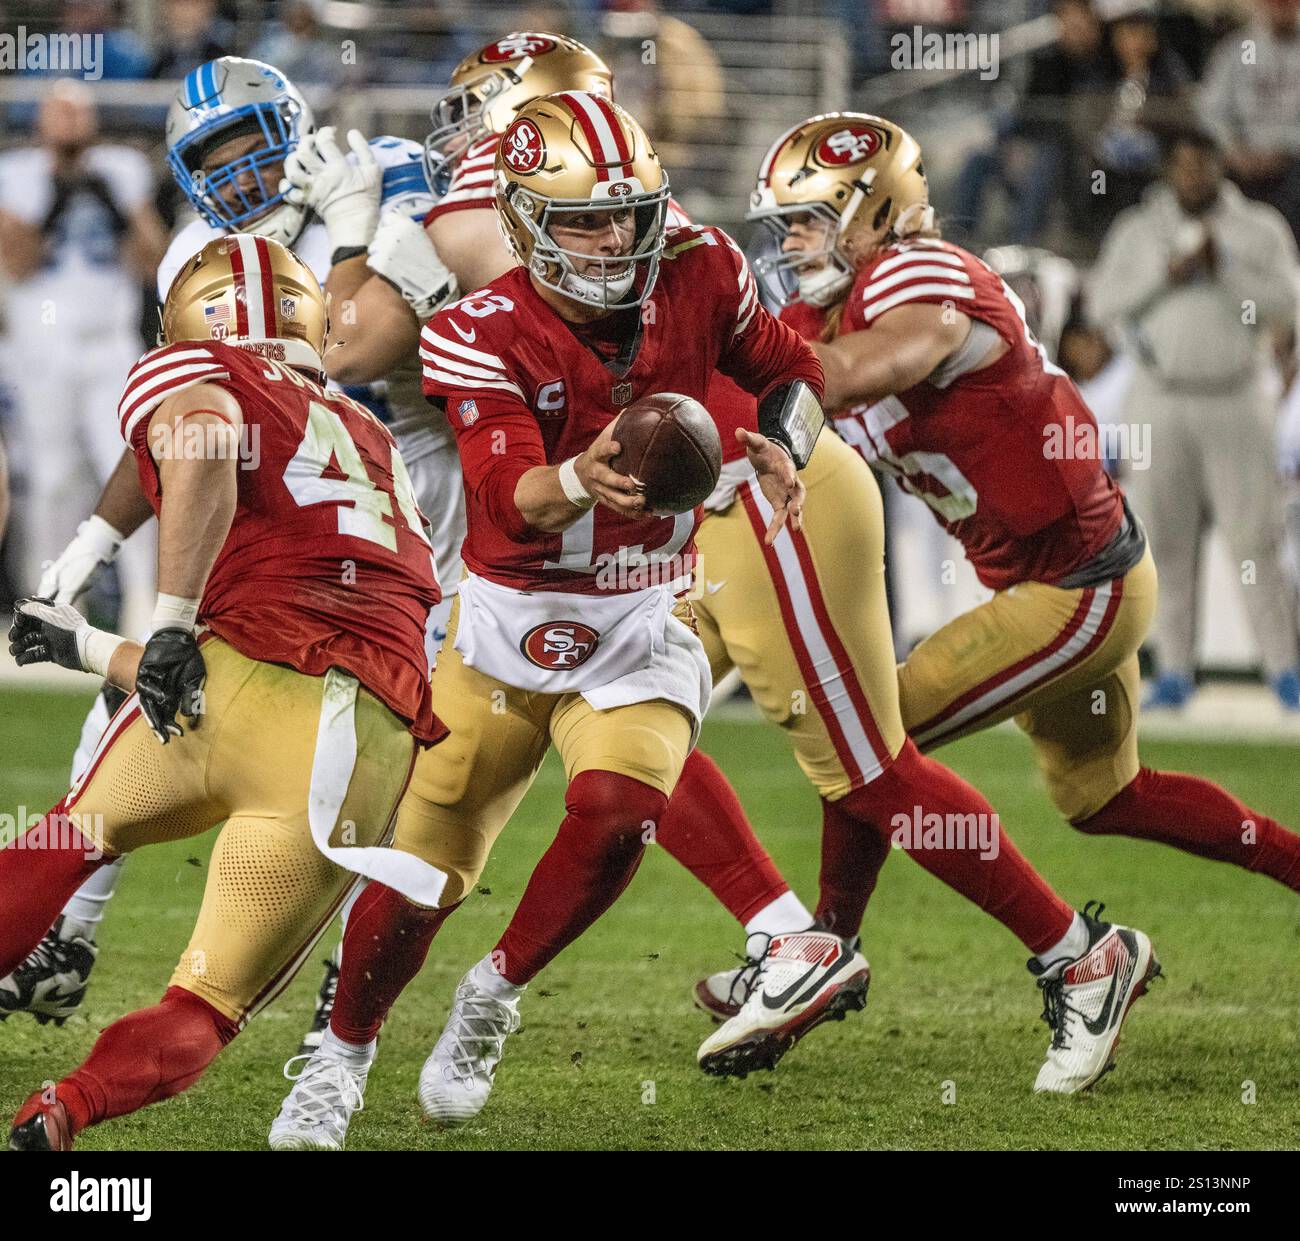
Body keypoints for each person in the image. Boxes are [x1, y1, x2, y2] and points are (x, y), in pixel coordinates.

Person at [265, 91, 848, 1151]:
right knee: (420, 872)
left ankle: (494, 992)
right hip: (502, 627)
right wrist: (579, 475)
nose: (612, 237)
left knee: (623, 804)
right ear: (526, 219)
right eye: (582, 219)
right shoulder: (477, 328)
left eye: (625, 213)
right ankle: (339, 1058)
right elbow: (504, 499)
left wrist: (785, 442)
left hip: (636, 616)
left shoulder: (702, 267)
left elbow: (792, 369)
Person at [686, 110, 1298, 1046]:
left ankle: (828, 953)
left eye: (810, 218)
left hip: (1081, 583)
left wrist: (757, 383)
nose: (793, 241)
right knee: (1106, 800)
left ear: (878, 210)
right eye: (786, 224)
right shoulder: (829, 307)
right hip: (1043, 580)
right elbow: (784, 381)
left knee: (871, 748)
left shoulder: (918, 271)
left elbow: (849, 372)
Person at [0, 58, 452, 1046]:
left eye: (254, 143)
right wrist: (96, 537)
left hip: (416, 494)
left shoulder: (375, 174)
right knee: (140, 705)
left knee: (412, 761)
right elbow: (196, 412)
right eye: (217, 155)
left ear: (290, 125)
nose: (243, 173)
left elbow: (361, 351)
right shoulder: (199, 252)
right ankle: (66, 938)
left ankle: (346, 985)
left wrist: (369, 227)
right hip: (279, 514)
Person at [1090, 125, 1300, 708]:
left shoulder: (1257, 227)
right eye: (1181, 166)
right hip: (1159, 395)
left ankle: (1285, 671)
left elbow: (1288, 302)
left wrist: (1224, 265)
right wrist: (1167, 275)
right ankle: (1175, 671)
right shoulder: (1140, 230)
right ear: (1168, 171)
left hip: (1237, 395)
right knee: (1164, 541)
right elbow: (1102, 304)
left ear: (1219, 168)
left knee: (1255, 537)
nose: (1193, 176)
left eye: (1203, 165)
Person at [0, 78, 166, 634]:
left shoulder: (120, 169)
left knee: (137, 471)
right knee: (53, 482)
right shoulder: (16, 174)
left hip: (112, 345)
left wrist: (117, 209)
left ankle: (148, 611)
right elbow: (18, 265)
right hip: (44, 348)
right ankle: (51, 607)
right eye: (58, 112)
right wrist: (55, 204)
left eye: (78, 112)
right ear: (40, 120)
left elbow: (155, 264)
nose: (69, 122)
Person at [1199, 0, 1300, 242]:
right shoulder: (1239, 49)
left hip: (1292, 161)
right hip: (1240, 161)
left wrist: (1284, 148)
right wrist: (1232, 149)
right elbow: (1211, 110)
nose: (1281, 9)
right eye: (1274, 4)